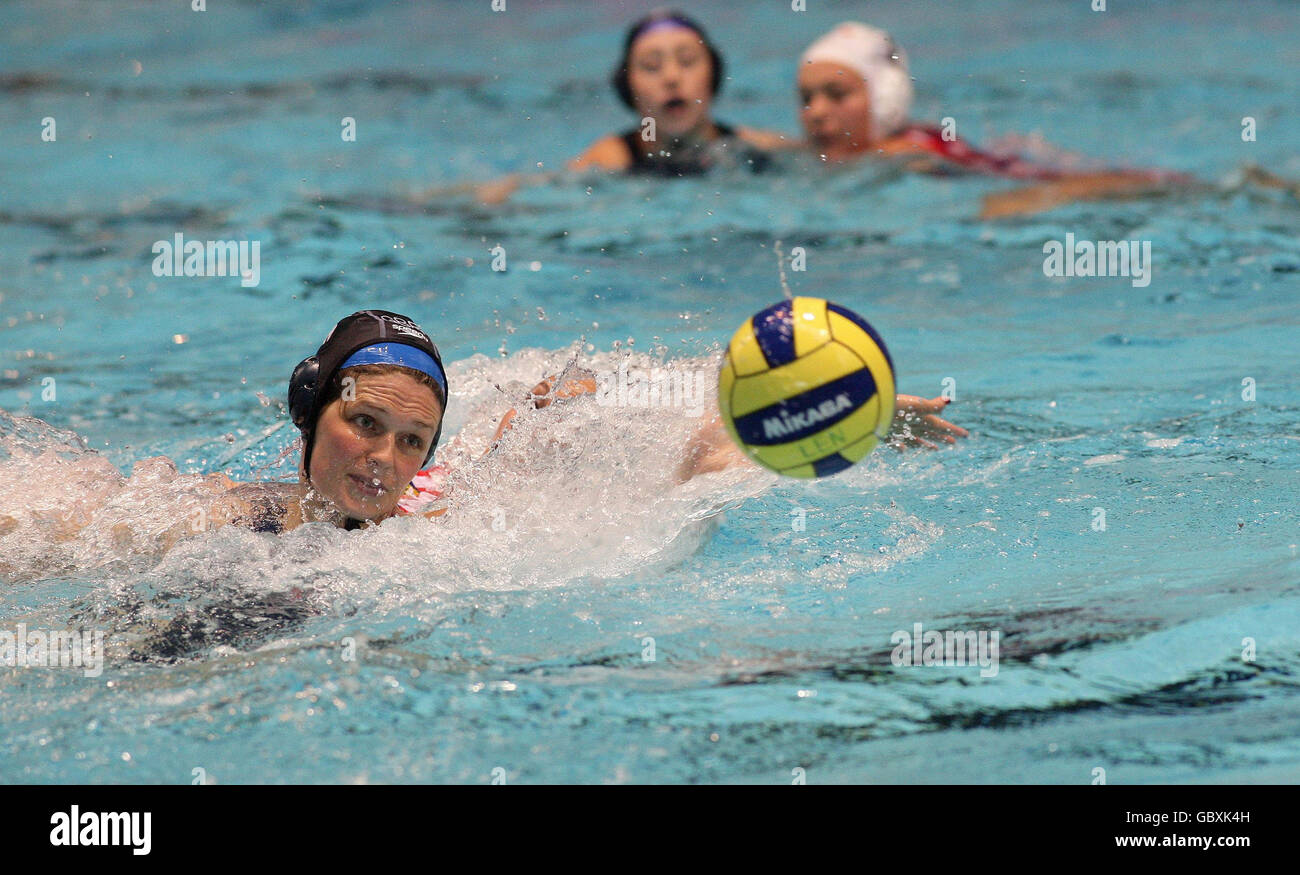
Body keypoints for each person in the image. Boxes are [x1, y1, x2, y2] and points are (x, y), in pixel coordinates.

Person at [794, 22, 1185, 217]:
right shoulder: (844, 153)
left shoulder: (911, 153)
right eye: (806, 98)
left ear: (885, 99)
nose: (817, 112)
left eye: (837, 94)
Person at [472, 9, 786, 203]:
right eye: (651, 66)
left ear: (713, 76)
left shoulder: (756, 146)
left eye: (688, 62)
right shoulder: (611, 158)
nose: (672, 77)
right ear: (629, 89)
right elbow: (534, 189)